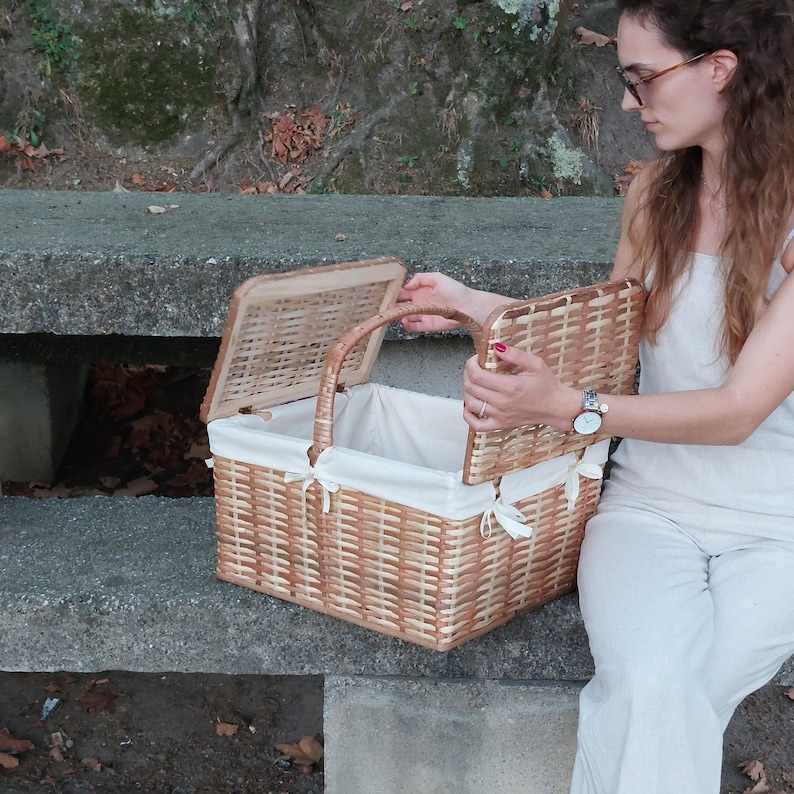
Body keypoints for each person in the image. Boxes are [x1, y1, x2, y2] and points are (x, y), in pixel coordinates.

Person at [396, 1, 794, 791]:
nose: (626, 101)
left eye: (642, 78)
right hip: (646, 510)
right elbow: (608, 347)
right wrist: (482, 308)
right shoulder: (655, 197)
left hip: (780, 530)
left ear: (721, 70)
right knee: (654, 687)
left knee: (659, 695)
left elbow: (737, 409)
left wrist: (566, 409)